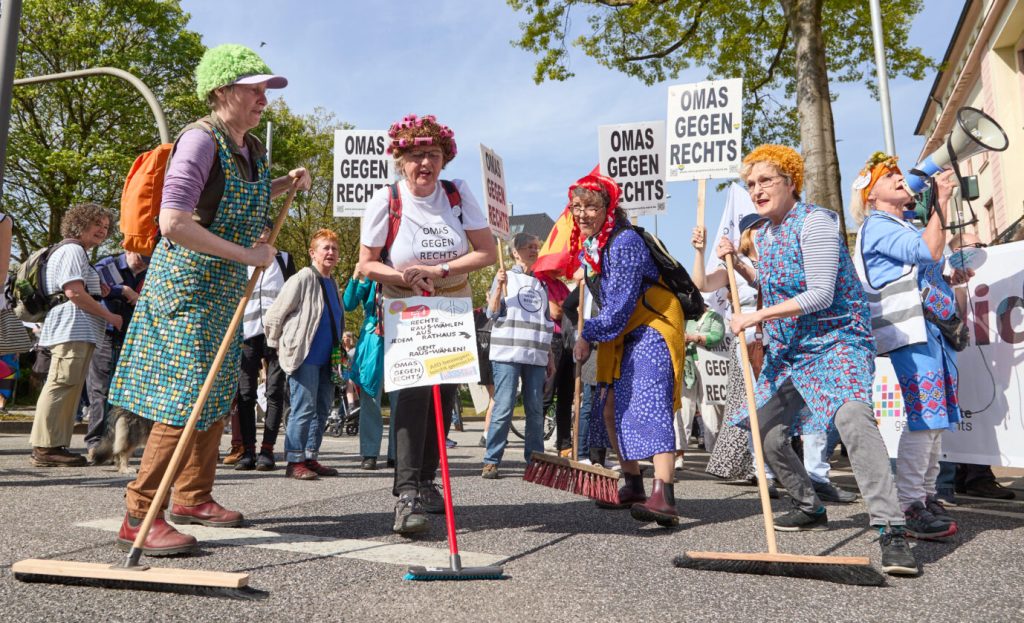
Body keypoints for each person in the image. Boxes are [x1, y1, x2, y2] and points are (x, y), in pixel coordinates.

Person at [108, 44, 310, 555]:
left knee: (216, 393)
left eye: (267, 90)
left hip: (220, 292)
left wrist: (287, 181)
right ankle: (139, 513)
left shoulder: (251, 149)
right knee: (183, 398)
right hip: (187, 290)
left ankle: (193, 496)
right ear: (223, 91)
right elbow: (173, 222)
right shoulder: (200, 141)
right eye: (254, 88)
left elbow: (240, 197)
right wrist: (246, 253)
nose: (264, 97)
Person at [724, 144, 918, 576]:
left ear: (791, 181)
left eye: (765, 181)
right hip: (791, 351)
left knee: (852, 418)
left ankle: (892, 530)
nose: (756, 190)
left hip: (836, 342)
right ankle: (808, 506)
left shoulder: (817, 223)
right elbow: (772, 283)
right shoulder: (768, 234)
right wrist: (737, 264)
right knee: (768, 433)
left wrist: (755, 316)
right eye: (751, 183)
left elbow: (819, 294)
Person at [358, 114, 496, 535]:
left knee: (445, 394)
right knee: (413, 397)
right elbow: (365, 265)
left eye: (433, 155)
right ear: (401, 160)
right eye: (417, 155)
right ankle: (406, 493)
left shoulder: (457, 194)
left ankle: (428, 480)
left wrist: (440, 269)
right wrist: (404, 276)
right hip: (406, 310)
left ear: (444, 160)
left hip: (451, 307)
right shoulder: (387, 200)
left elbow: (486, 252)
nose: (425, 164)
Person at [850, 152, 963, 540]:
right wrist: (942, 200)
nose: (901, 180)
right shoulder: (879, 225)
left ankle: (927, 495)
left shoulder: (898, 221)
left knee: (938, 420)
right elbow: (928, 251)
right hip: (910, 332)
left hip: (929, 330)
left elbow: (930, 258)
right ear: (870, 195)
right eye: (889, 177)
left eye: (901, 176)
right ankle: (910, 504)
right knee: (926, 417)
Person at [569, 171, 686, 526]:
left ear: (609, 207)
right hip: (621, 328)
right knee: (609, 408)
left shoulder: (624, 242)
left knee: (647, 401)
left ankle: (663, 494)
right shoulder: (593, 247)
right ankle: (633, 483)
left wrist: (587, 333)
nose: (583, 214)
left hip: (652, 322)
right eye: (577, 206)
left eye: (591, 206)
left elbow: (618, 308)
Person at [29, 203, 122, 467]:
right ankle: (46, 448)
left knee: (67, 386)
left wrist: (98, 288)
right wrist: (110, 317)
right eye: (97, 224)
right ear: (79, 223)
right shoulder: (72, 250)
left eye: (106, 227)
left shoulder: (73, 251)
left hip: (75, 328)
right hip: (72, 328)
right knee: (62, 384)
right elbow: (74, 293)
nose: (102, 231)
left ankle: (54, 444)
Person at [936, 231, 1015, 503]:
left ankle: (974, 476)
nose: (983, 249)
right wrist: (957, 284)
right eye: (975, 245)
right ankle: (963, 477)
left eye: (984, 244)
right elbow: (956, 314)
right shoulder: (946, 275)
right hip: (958, 359)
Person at [265, 229, 342, 480]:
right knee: (303, 408)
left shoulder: (333, 282)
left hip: (328, 359)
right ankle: (294, 460)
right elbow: (275, 314)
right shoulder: (303, 278)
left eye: (334, 248)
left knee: (321, 409)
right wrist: (276, 345)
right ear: (312, 253)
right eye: (325, 248)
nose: (330, 252)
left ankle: (310, 456)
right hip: (305, 356)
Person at [482, 232, 555, 479]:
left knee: (535, 409)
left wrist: (550, 356)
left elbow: (545, 323)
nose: (534, 250)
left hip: (535, 355)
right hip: (507, 354)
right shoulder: (505, 278)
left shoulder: (541, 284)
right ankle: (491, 460)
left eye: (536, 246)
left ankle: (534, 460)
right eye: (529, 247)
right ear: (515, 252)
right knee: (503, 407)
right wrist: (498, 289)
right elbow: (492, 313)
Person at [230, 224, 296, 471]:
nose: (260, 234)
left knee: (274, 391)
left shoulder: (284, 260)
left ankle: (267, 450)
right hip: (247, 334)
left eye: (265, 229)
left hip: (276, 335)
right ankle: (247, 450)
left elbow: (294, 296)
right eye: (256, 230)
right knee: (245, 392)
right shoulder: (240, 257)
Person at [84, 250, 148, 460]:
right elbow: (97, 289)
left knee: (128, 393)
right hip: (106, 333)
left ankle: (124, 443)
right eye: (141, 257)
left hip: (133, 337)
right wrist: (126, 291)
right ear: (129, 248)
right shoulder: (107, 265)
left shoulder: (151, 271)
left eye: (149, 260)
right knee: (100, 390)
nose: (144, 263)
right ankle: (96, 442)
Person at [342, 271, 386, 471]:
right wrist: (357, 276)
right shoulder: (372, 269)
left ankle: (398, 453)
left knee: (403, 397)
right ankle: (370, 452)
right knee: (370, 396)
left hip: (405, 333)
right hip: (374, 336)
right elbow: (349, 303)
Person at [675, 300, 724, 467]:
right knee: (682, 410)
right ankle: (679, 454)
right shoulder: (683, 318)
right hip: (686, 366)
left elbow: (717, 336)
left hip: (709, 368)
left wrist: (694, 338)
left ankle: (714, 455)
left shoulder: (714, 317)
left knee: (710, 410)